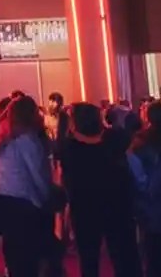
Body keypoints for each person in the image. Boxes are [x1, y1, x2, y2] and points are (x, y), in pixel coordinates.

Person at [57, 101, 140, 277]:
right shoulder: (115, 139)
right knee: (124, 256)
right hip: (117, 204)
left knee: (89, 259)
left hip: (84, 207)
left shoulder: (70, 148)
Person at [0, 95, 54, 277]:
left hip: (3, 197)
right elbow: (37, 172)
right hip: (24, 201)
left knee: (13, 254)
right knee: (28, 257)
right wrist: (47, 197)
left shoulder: (2, 138)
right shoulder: (27, 139)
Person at [129, 101, 161, 276]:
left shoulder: (141, 141)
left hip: (151, 204)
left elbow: (137, 173)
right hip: (159, 197)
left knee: (154, 254)